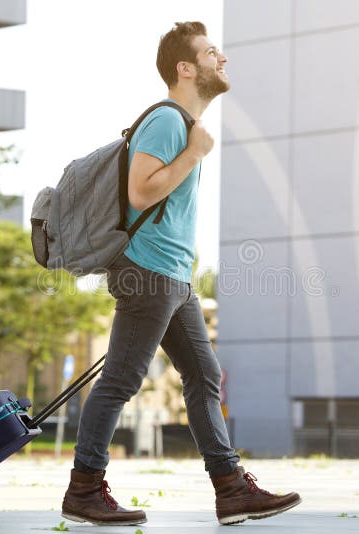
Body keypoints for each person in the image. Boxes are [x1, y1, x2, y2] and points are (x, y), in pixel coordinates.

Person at [59, 22, 302, 526]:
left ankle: (231, 490)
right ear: (185, 68)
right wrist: (194, 153)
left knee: (204, 375)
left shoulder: (183, 124)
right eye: (212, 53)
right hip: (149, 272)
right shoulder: (168, 121)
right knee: (121, 380)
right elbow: (140, 192)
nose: (223, 59)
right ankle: (83, 490)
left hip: (173, 276)